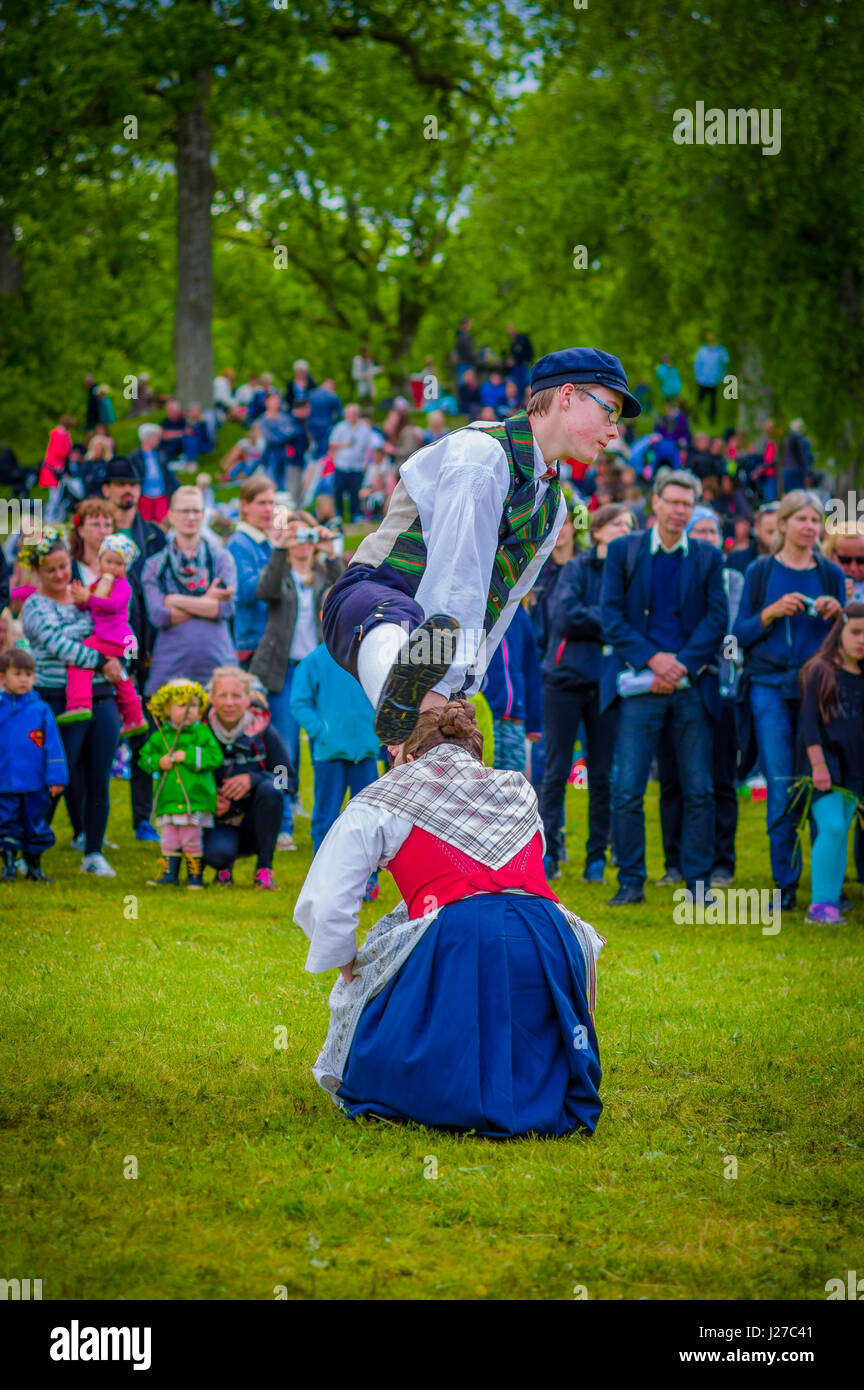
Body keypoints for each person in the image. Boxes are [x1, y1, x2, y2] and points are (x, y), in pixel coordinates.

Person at [294, 700, 604, 1138]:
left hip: (460, 936)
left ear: (406, 752)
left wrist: (347, 966)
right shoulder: (517, 786)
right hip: (551, 938)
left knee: (389, 1057)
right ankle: (538, 1089)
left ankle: (433, 1090)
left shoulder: (388, 793)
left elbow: (328, 899)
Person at [323, 348, 641, 747]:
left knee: (441, 785)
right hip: (372, 600)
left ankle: (412, 707)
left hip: (439, 643)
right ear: (566, 395)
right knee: (404, 622)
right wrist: (436, 699)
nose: (614, 431)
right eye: (609, 411)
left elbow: (503, 604)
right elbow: (455, 578)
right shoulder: (482, 453)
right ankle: (402, 709)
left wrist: (462, 689)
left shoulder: (555, 506)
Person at [600, 470, 728, 906]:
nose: (679, 511)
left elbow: (717, 619)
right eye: (672, 502)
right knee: (628, 787)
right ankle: (631, 881)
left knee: (698, 788)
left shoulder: (709, 557)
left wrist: (681, 665)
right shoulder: (623, 551)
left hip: (690, 685)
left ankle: (698, 885)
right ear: (654, 503)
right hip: (640, 683)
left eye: (687, 504)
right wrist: (654, 659)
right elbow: (612, 616)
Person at [732, 490, 845, 908]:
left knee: (824, 784)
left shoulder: (831, 574)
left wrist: (842, 613)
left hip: (821, 690)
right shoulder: (762, 572)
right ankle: (784, 887)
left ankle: (825, 888)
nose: (810, 527)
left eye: (816, 520)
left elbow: (852, 640)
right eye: (801, 519)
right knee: (781, 787)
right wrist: (771, 612)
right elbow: (738, 635)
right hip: (768, 687)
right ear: (783, 524)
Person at [20, 531, 124, 876]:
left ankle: (93, 851)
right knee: (55, 776)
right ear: (37, 572)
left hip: (101, 695)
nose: (61, 575)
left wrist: (110, 652)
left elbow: (110, 624)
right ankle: (25, 847)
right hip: (59, 698)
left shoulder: (86, 595)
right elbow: (60, 645)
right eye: (51, 570)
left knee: (99, 776)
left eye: (64, 567)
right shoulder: (35, 606)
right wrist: (102, 660)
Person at [541, 503, 634, 883]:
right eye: (617, 524)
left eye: (630, 525)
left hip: (606, 684)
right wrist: (609, 621)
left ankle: (597, 858)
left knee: (601, 775)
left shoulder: (629, 575)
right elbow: (566, 617)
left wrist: (602, 620)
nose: (624, 530)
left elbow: (630, 622)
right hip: (563, 679)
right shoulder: (576, 569)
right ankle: (548, 855)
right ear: (596, 531)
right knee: (557, 770)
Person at [656, 507, 743, 889]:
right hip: (678, 687)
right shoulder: (677, 576)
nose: (707, 538)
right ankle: (674, 861)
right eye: (700, 531)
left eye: (712, 531)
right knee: (675, 778)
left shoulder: (736, 580)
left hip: (723, 690)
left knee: (720, 779)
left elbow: (736, 632)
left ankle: (721, 862)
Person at [249, 513, 345, 851]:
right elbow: (266, 591)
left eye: (306, 536)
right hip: (283, 670)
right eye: (295, 536)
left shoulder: (322, 575)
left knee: (326, 745)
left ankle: (325, 817)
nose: (301, 543)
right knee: (284, 747)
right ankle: (284, 818)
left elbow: (346, 592)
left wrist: (330, 551)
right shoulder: (280, 572)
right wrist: (279, 550)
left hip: (321, 672)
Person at [99, 455, 168, 842]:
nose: (128, 491)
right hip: (103, 652)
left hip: (146, 652)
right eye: (120, 484)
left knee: (143, 736)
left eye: (134, 485)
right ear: (106, 488)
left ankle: (143, 818)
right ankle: (89, 828)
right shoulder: (94, 534)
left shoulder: (154, 536)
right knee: (101, 736)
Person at [289, 626, 380, 868]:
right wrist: (321, 732)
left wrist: (376, 733)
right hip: (329, 754)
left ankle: (367, 877)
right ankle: (322, 872)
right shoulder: (315, 661)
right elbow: (299, 702)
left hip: (366, 752)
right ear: (326, 618)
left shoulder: (370, 658)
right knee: (326, 816)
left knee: (368, 818)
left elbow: (385, 695)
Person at [797, 603, 864, 923]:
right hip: (825, 765)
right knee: (833, 827)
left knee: (842, 828)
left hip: (855, 767)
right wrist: (818, 766)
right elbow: (808, 723)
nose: (861, 640)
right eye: (856, 632)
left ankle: (832, 901)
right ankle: (820, 904)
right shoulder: (819, 670)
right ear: (840, 631)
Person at [203, 666, 294, 889]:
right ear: (212, 698)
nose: (229, 703)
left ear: (247, 699)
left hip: (256, 820)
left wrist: (253, 779)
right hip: (217, 817)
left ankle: (264, 868)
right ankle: (223, 867)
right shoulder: (200, 731)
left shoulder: (265, 732)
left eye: (236, 696)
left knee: (271, 791)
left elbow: (287, 781)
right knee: (218, 856)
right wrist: (206, 801)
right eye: (222, 695)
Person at [141, 486, 237, 695]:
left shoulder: (221, 559)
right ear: (171, 516)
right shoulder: (155, 565)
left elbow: (226, 609)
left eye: (196, 511)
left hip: (219, 668)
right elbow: (159, 616)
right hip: (171, 670)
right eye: (184, 511)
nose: (191, 517)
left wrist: (173, 599)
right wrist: (207, 600)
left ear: (203, 516)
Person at [59, 534, 148, 737]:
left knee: (80, 659)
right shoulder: (98, 583)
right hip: (109, 639)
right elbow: (85, 605)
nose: (112, 568)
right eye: (108, 561)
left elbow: (112, 605)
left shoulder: (123, 586)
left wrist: (89, 598)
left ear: (126, 568)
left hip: (116, 638)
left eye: (119, 564)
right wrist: (80, 596)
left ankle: (79, 703)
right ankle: (134, 717)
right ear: (99, 562)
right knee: (119, 677)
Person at [138, 679, 223, 889]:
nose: (189, 711)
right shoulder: (160, 736)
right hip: (169, 799)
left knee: (191, 838)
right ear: (166, 709)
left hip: (194, 800)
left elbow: (215, 756)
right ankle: (169, 874)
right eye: (183, 705)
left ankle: (195, 876)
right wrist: (158, 762)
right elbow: (143, 759)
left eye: (193, 706)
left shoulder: (201, 733)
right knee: (169, 839)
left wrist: (190, 755)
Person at [0, 647, 68, 883]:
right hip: (5, 783)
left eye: (29, 674)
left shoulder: (40, 710)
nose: (24, 679)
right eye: (17, 673)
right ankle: (8, 866)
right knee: (6, 824)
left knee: (35, 825)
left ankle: (34, 868)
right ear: (2, 677)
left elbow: (53, 746)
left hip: (34, 783)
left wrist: (57, 777)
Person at [481, 601, 542, 773]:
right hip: (484, 715)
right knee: (483, 779)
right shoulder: (480, 607)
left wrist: (534, 722)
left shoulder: (519, 612)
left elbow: (531, 667)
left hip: (514, 717)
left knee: (514, 782)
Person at [226, 475, 276, 667]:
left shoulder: (264, 541)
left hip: (269, 639)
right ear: (245, 506)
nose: (269, 509)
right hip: (252, 643)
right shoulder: (239, 543)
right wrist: (279, 561)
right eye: (261, 503)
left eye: (271, 503)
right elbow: (246, 591)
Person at [328, 403, 374, 524]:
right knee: (338, 491)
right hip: (342, 465)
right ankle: (339, 514)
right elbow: (332, 444)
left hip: (357, 466)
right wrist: (345, 444)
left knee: (355, 492)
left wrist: (366, 463)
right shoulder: (340, 427)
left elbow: (369, 448)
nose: (351, 416)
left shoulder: (365, 429)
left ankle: (354, 515)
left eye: (354, 414)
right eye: (349, 414)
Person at [128, 424, 178, 523]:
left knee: (163, 522)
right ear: (147, 438)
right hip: (144, 496)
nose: (158, 440)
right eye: (156, 437)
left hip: (161, 495)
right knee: (145, 523)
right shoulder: (134, 457)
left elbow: (168, 475)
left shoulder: (161, 454)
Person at [725, 502, 778, 577]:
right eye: (770, 532)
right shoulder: (736, 560)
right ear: (757, 529)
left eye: (779, 533)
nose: (775, 537)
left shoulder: (789, 563)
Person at [692, 332, 729, 424]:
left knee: (713, 402)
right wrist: (698, 377)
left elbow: (725, 363)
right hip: (703, 380)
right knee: (700, 400)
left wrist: (722, 376)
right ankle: (696, 417)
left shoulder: (720, 350)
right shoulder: (702, 351)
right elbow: (697, 364)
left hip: (714, 380)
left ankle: (712, 420)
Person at [823, 522, 864, 603]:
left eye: (861, 560)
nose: (853, 568)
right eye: (845, 560)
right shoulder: (822, 580)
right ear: (831, 555)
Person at [39, 414, 76, 494]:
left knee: (56, 494)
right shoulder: (60, 435)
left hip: (55, 467)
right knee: (55, 495)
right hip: (55, 468)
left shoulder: (59, 434)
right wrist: (68, 453)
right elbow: (58, 452)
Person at [307, 379, 343, 458]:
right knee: (323, 449)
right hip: (326, 425)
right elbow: (340, 413)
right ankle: (321, 464)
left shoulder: (311, 393)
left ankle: (311, 463)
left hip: (311, 424)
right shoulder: (332, 395)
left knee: (312, 446)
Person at [504, 321, 534, 395]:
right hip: (515, 367)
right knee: (516, 386)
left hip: (523, 366)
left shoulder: (522, 338)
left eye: (511, 328)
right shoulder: (510, 341)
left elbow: (530, 350)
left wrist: (528, 360)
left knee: (525, 384)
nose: (510, 330)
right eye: (508, 329)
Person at [452, 317, 475, 382]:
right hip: (467, 363)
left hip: (461, 362)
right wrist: (475, 359)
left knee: (463, 383)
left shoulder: (458, 335)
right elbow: (468, 351)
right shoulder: (465, 336)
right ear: (466, 325)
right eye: (469, 324)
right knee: (466, 383)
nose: (470, 326)